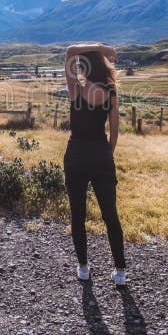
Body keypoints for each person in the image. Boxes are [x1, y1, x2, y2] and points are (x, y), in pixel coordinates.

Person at [63, 42, 126, 285]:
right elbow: (115, 131)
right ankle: (120, 272)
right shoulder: (110, 93)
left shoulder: (76, 91)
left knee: (78, 214)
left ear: (85, 67)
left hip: (76, 154)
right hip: (100, 154)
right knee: (110, 214)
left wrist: (100, 47)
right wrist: (105, 154)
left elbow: (69, 51)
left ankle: (83, 267)